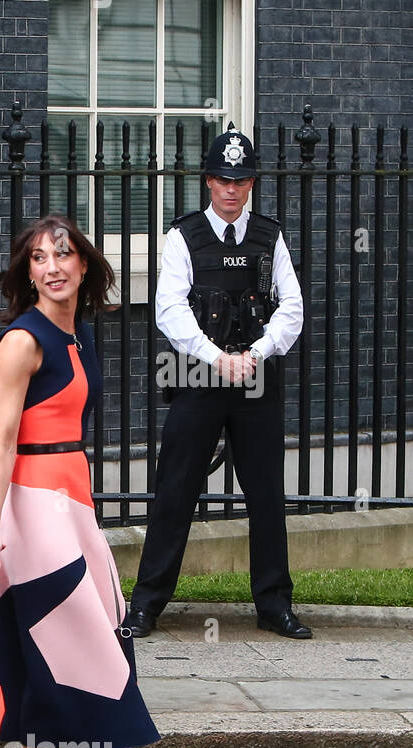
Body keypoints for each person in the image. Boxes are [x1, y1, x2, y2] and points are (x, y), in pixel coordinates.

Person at [0, 215, 160, 748]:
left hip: (72, 506)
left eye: (63, 254)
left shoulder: (81, 334)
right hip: (34, 512)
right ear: (29, 272)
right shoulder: (21, 341)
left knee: (53, 654)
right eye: (39, 258)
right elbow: (1, 445)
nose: (52, 267)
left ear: (83, 264)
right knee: (55, 658)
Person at [124, 127, 308, 640]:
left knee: (266, 494)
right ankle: (146, 604)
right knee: (175, 489)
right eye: (224, 179)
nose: (232, 188)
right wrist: (216, 357)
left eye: (241, 180)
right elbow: (169, 309)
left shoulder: (270, 236)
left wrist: (256, 353)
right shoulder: (184, 236)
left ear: (251, 184)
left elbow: (292, 308)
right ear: (208, 181)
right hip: (199, 376)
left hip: (255, 377)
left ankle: (275, 604)